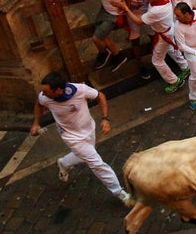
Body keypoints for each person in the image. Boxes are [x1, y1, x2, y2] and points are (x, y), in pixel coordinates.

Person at [30, 70, 128, 205]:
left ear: (58, 90)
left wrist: (105, 119)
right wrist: (36, 123)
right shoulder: (44, 98)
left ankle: (64, 163)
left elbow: (100, 96)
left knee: (84, 155)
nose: (43, 94)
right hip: (71, 137)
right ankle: (119, 192)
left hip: (89, 129)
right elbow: (38, 104)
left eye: (47, 91)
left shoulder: (80, 90)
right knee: (96, 162)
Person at [126, 0, 190, 95]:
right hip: (168, 30)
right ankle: (185, 66)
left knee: (157, 60)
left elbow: (138, 21)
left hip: (163, 35)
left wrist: (125, 8)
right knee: (170, 49)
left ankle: (174, 81)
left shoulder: (157, 10)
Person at [83, 0, 141, 72]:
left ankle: (103, 53)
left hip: (114, 13)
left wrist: (126, 6)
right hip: (106, 9)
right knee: (102, 35)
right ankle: (118, 56)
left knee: (96, 38)